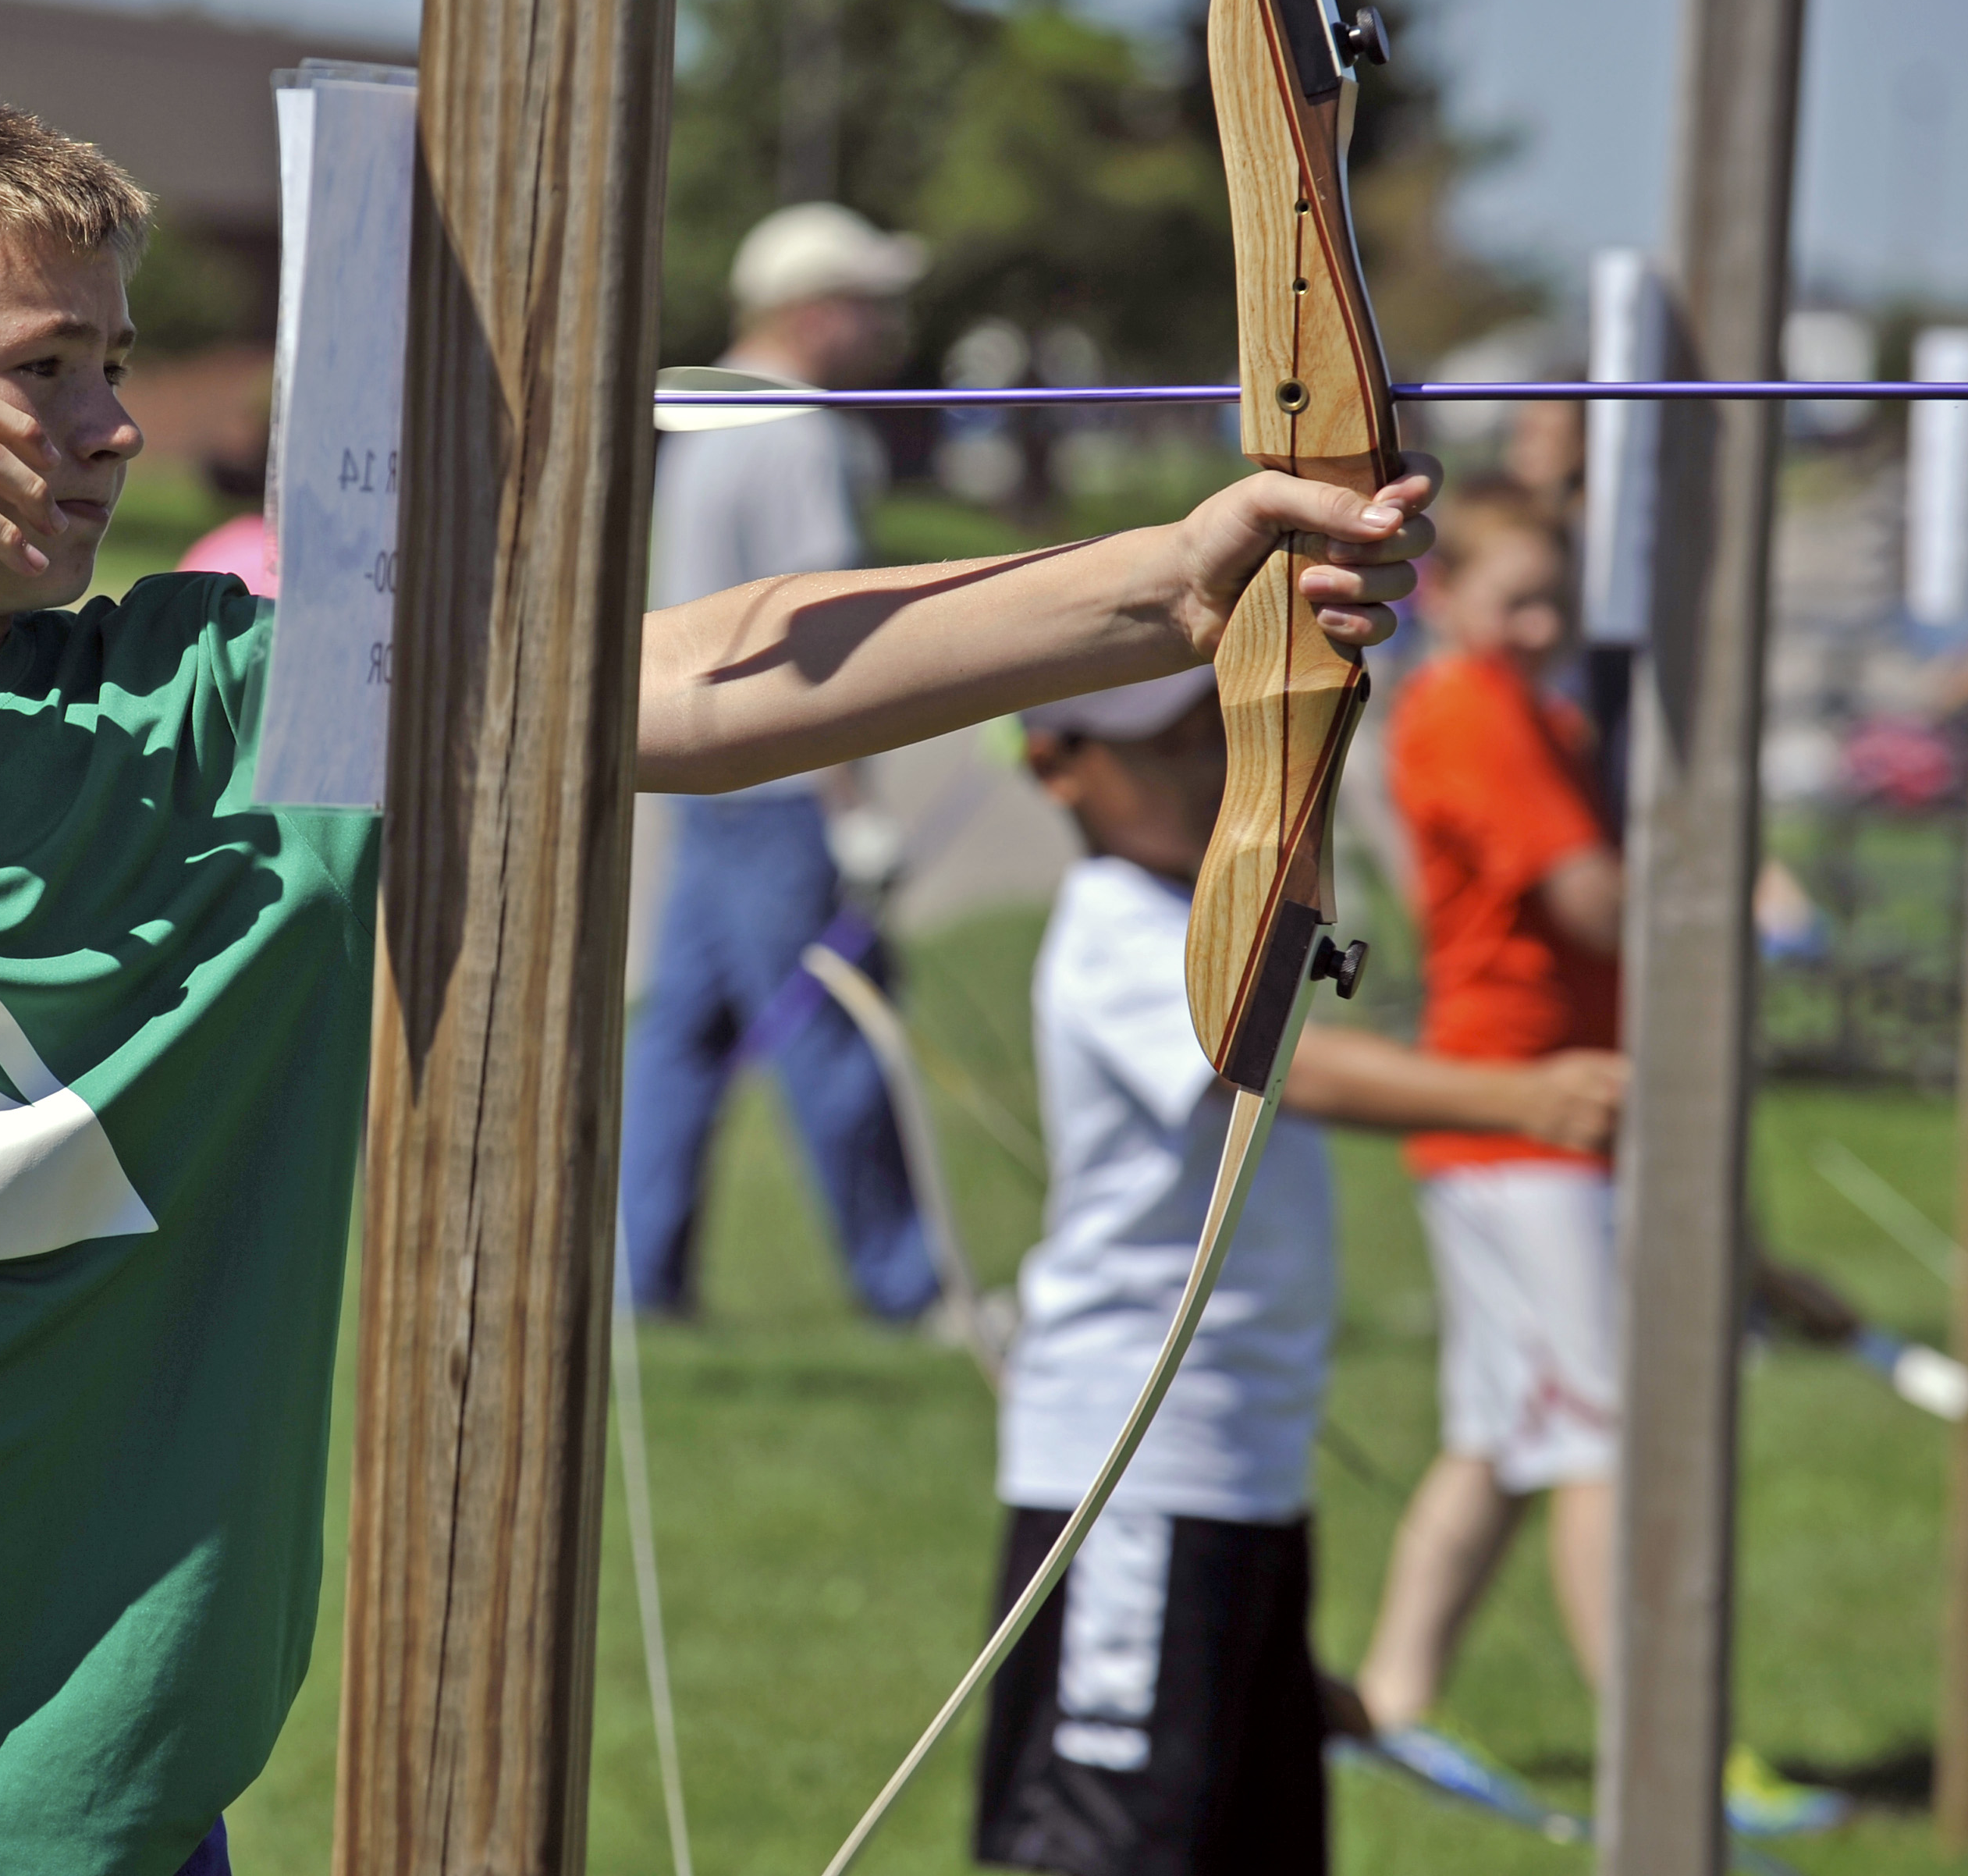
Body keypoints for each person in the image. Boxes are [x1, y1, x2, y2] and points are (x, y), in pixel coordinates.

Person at [0, 87, 1436, 1874]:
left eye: (122, 365)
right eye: (50, 372)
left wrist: (1171, 583)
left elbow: (706, 673)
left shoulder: (231, 709)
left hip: (79, 1834)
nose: (122, 427)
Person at [982, 667, 1625, 1875]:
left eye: (1216, 742)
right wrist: (1521, 1095)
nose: (1205, 773)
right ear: (1055, 768)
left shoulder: (1197, 919)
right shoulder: (1114, 926)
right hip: (1136, 1476)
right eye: (1160, 750)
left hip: (1245, 1473)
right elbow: (1270, 1061)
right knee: (1110, 1850)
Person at [1348, 484, 1843, 1837]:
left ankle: (1386, 1702)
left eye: (1558, 598)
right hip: (1524, 1120)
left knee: (1502, 1435)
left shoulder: (1538, 712)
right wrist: (1726, 919)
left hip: (1541, 1116)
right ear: (1443, 599)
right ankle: (1668, 1748)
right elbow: (1590, 898)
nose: (1544, 623)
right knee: (1603, 1434)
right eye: (1517, 598)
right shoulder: (1471, 710)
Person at [620, 200, 936, 1325]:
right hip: (787, 792)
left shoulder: (707, 414)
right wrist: (855, 807)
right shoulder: (799, 430)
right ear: (816, 310)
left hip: (712, 790)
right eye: (871, 301)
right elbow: (825, 638)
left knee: (682, 1040)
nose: (889, 323)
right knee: (835, 1036)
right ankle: (906, 1290)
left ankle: (638, 1281)